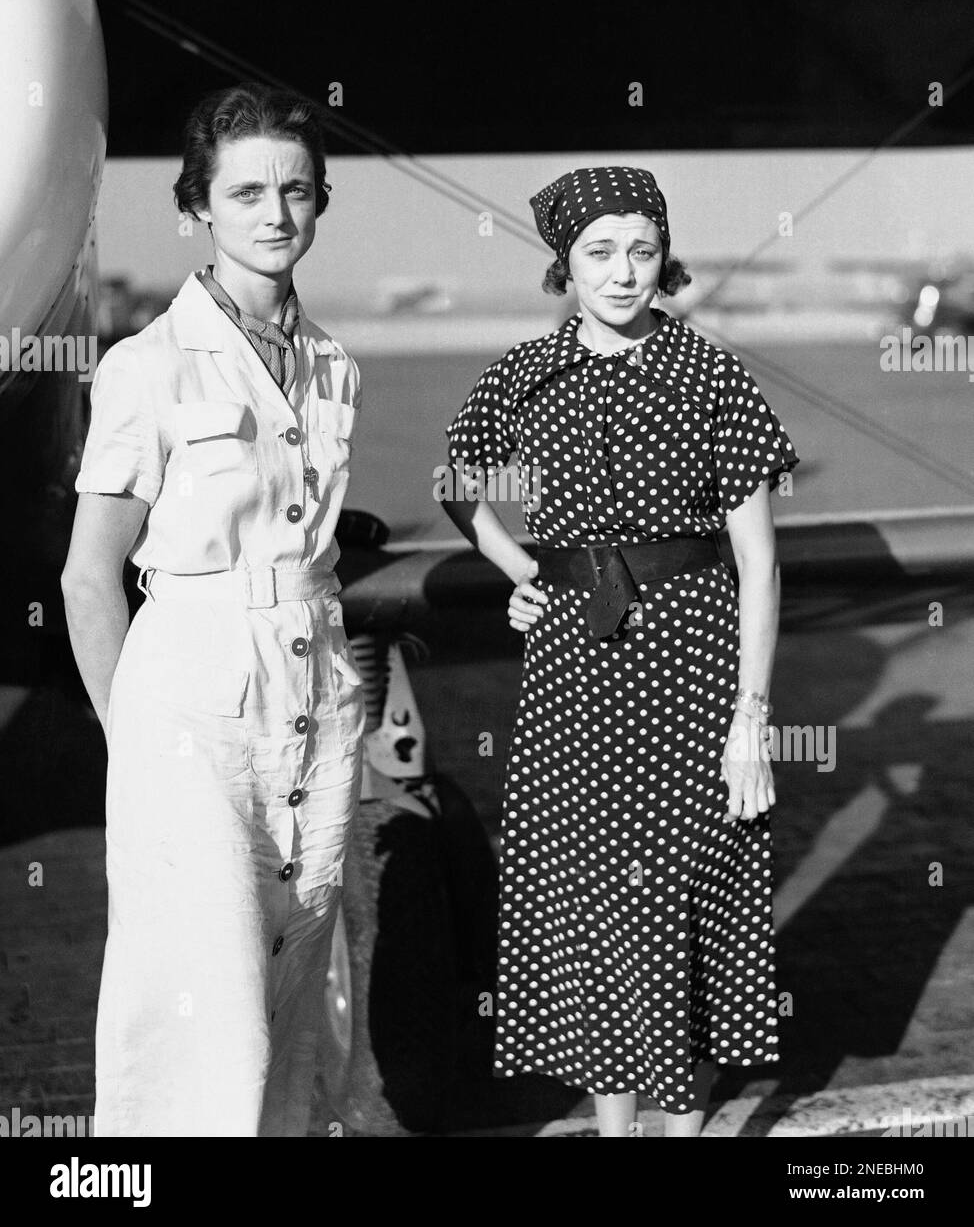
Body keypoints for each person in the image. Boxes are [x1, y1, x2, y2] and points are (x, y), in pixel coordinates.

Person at [441, 166, 799, 1138]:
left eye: (641, 250)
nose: (622, 271)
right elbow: (456, 480)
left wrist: (750, 718)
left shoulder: (708, 373)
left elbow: (758, 564)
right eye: (599, 251)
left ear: (663, 258)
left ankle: (676, 1129)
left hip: (690, 657)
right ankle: (612, 1130)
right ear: (563, 262)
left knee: (681, 889)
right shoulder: (524, 370)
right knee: (592, 894)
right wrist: (524, 571)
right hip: (570, 669)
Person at [60, 83, 366, 1137]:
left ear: (318, 201)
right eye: (245, 192)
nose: (274, 213)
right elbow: (87, 579)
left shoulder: (334, 366)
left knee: (294, 990)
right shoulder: (144, 368)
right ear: (198, 206)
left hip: (316, 698)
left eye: (294, 189)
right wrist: (138, 749)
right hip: (189, 700)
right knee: (201, 1005)